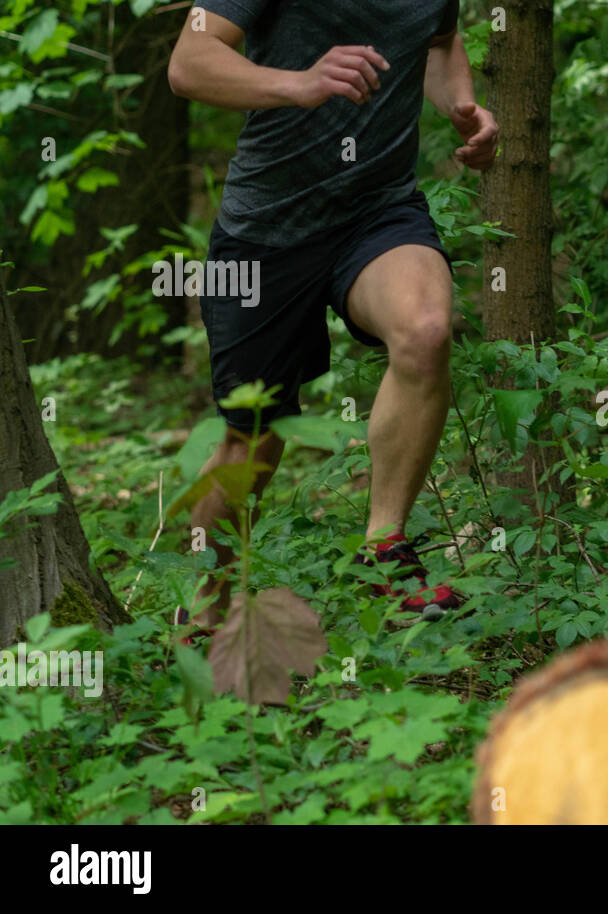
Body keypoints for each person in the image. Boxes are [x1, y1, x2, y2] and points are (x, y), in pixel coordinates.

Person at [167, 0, 496, 637]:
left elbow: (438, 40)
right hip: (267, 228)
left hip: (378, 211)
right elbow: (189, 63)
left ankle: (385, 551)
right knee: (254, 436)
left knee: (426, 332)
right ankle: (206, 601)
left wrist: (463, 104)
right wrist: (298, 83)